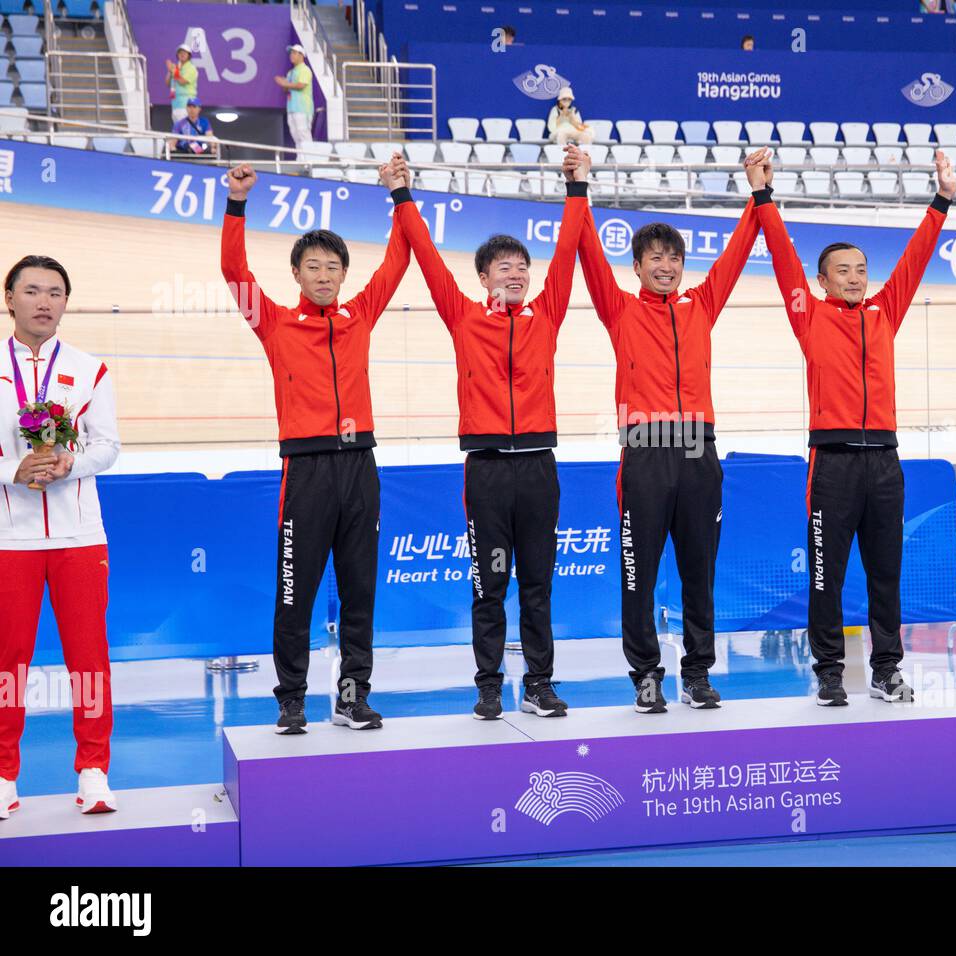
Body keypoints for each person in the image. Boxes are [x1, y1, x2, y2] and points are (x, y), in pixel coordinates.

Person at [749, 149, 956, 707]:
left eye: (862, 270)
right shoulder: (808, 313)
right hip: (832, 463)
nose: (855, 278)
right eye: (843, 271)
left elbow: (914, 259)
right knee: (827, 576)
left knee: (886, 575)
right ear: (821, 280)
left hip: (885, 463)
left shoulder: (885, 312)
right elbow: (781, 255)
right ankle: (830, 672)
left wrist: (941, 199)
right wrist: (763, 196)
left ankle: (887, 671)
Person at [389, 147, 588, 721]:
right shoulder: (462, 316)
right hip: (487, 472)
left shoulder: (545, 316)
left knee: (538, 588)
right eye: (505, 268)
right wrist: (403, 196)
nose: (518, 275)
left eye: (523, 268)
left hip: (539, 468)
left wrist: (576, 188)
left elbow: (570, 253)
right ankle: (489, 686)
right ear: (483, 278)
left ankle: (540, 684)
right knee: (490, 585)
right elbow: (426, 257)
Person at [220, 159, 412, 735]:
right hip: (305, 471)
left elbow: (399, 260)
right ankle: (292, 699)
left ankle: (353, 698)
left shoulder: (361, 316)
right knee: (294, 590)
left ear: (344, 275)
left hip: (361, 467)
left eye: (333, 267)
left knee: (358, 591)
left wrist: (398, 195)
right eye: (313, 266)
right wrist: (236, 203)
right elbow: (234, 271)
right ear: (297, 275)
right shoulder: (275, 324)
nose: (324, 275)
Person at [575, 152, 767, 714]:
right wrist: (579, 188)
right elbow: (585, 253)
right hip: (644, 455)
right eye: (654, 257)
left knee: (699, 573)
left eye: (674, 257)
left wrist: (757, 196)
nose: (665, 265)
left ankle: (698, 674)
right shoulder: (620, 309)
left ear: (684, 265)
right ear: (636, 266)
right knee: (639, 574)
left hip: (699, 452)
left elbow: (735, 255)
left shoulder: (702, 304)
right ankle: (645, 675)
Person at [0, 255, 120, 818]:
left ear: (66, 303)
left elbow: (108, 446)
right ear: (10, 299)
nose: (44, 301)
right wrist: (12, 472)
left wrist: (67, 465)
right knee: (7, 663)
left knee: (88, 660)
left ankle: (94, 771)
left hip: (79, 538)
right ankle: (3, 775)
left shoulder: (89, 369)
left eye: (55, 292)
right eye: (32, 290)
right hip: (10, 540)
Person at [275, 44, 314, 158]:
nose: (291, 55)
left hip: (303, 108)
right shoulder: (290, 72)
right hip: (292, 107)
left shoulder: (305, 69)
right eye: (291, 53)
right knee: (295, 135)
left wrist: (285, 83)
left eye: (294, 53)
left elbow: (301, 85)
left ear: (301, 55)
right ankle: (301, 160)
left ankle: (310, 160)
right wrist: (283, 84)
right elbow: (286, 88)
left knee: (303, 133)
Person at [165, 43, 197, 125]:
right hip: (175, 105)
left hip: (186, 106)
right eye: (180, 53)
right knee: (179, 132)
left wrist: (173, 70)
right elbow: (167, 83)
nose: (182, 54)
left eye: (184, 53)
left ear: (189, 55)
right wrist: (169, 71)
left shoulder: (191, 68)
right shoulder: (176, 68)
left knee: (186, 133)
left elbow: (182, 81)